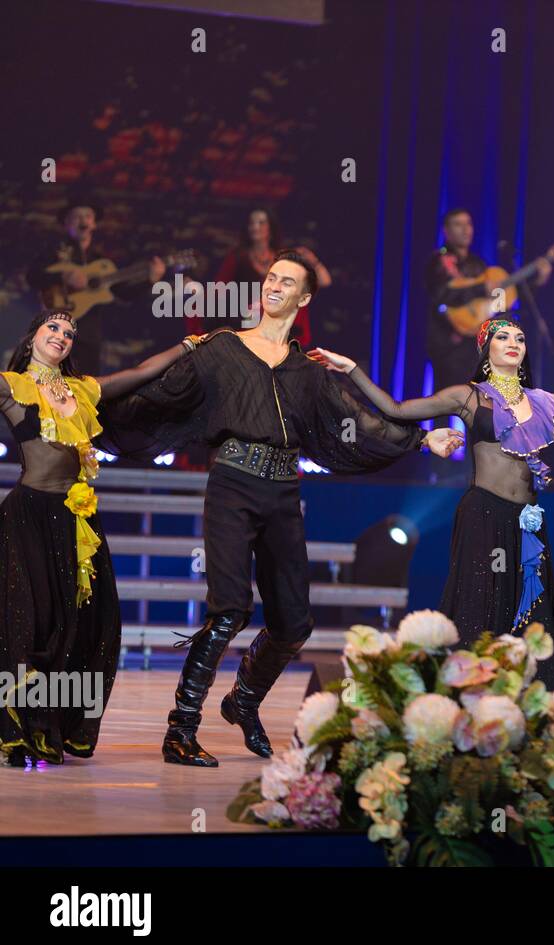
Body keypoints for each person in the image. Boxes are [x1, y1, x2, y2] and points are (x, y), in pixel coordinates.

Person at [99, 250, 460, 767]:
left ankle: (243, 701)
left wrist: (424, 441)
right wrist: (88, 410)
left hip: (283, 493)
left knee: (294, 624)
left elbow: (358, 420)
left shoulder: (307, 371)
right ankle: (180, 729)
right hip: (232, 485)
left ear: (304, 298)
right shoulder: (222, 348)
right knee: (229, 612)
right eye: (270, 277)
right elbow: (156, 394)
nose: (273, 285)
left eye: (286, 281)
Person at [307, 316, 554, 743]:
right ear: (486, 349)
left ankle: (532, 717)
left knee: (538, 615)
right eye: (503, 337)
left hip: (528, 523)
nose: (514, 343)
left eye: (520, 338)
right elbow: (397, 410)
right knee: (481, 610)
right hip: (483, 517)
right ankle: (465, 717)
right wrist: (353, 370)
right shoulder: (470, 397)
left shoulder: (546, 402)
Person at [0, 309, 197, 765]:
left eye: (70, 333)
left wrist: (189, 346)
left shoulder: (83, 389)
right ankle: (20, 727)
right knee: (30, 624)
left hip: (76, 521)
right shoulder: (12, 385)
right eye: (53, 327)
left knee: (93, 624)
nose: (62, 335)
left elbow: (140, 372)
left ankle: (56, 725)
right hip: (28, 517)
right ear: (32, 337)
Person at [25, 200, 165, 375]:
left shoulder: (101, 262)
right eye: (77, 217)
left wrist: (150, 280)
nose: (83, 221)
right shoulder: (52, 251)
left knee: (86, 384)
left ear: (94, 224)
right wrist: (63, 276)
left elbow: (122, 293)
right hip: (55, 328)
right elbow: (32, 276)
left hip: (88, 334)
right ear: (66, 223)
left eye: (88, 217)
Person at [424, 209, 550, 396]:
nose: (465, 229)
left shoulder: (478, 264)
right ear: (446, 231)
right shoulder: (438, 261)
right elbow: (442, 294)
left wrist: (535, 282)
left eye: (468, 224)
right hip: (448, 346)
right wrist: (480, 289)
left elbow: (498, 304)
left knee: (481, 407)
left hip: (475, 345)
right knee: (445, 403)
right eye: (458, 224)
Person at [189, 208, 331, 344]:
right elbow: (219, 287)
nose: (255, 227)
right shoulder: (238, 256)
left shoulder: (283, 256)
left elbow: (325, 281)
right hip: (247, 320)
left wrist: (313, 260)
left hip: (277, 318)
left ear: (271, 228)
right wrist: (198, 291)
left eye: (261, 222)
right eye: (251, 223)